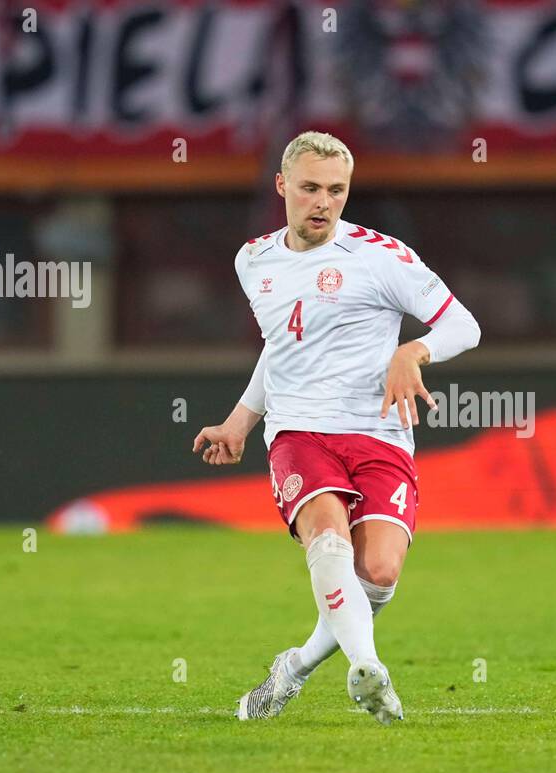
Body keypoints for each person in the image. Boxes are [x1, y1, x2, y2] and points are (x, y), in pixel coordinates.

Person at [193, 131, 481, 724]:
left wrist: (414, 352)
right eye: (309, 188)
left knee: (377, 573)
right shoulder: (254, 261)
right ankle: (369, 671)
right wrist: (241, 422)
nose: (322, 202)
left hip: (379, 433)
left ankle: (292, 669)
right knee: (327, 538)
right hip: (299, 432)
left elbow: (464, 326)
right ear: (283, 188)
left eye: (336, 190)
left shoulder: (382, 257)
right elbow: (280, 352)